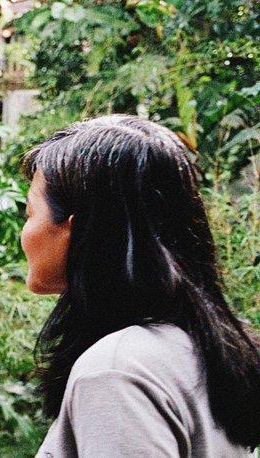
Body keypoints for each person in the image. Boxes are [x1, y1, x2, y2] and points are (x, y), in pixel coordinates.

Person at [21, 115, 260, 457]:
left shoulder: (116, 371)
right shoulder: (204, 349)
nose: (25, 232)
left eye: (30, 213)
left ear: (77, 231)